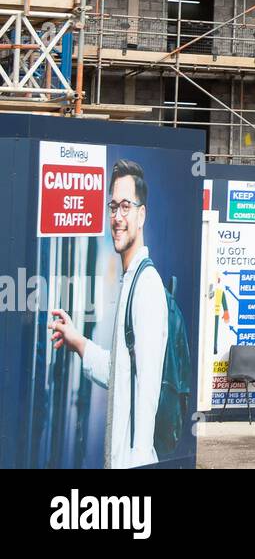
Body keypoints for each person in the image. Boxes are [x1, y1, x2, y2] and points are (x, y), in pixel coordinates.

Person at [48, 159, 169, 469]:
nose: (117, 217)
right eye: (113, 207)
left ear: (142, 215)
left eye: (126, 207)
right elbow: (120, 375)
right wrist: (77, 341)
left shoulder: (147, 288)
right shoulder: (131, 281)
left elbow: (148, 393)